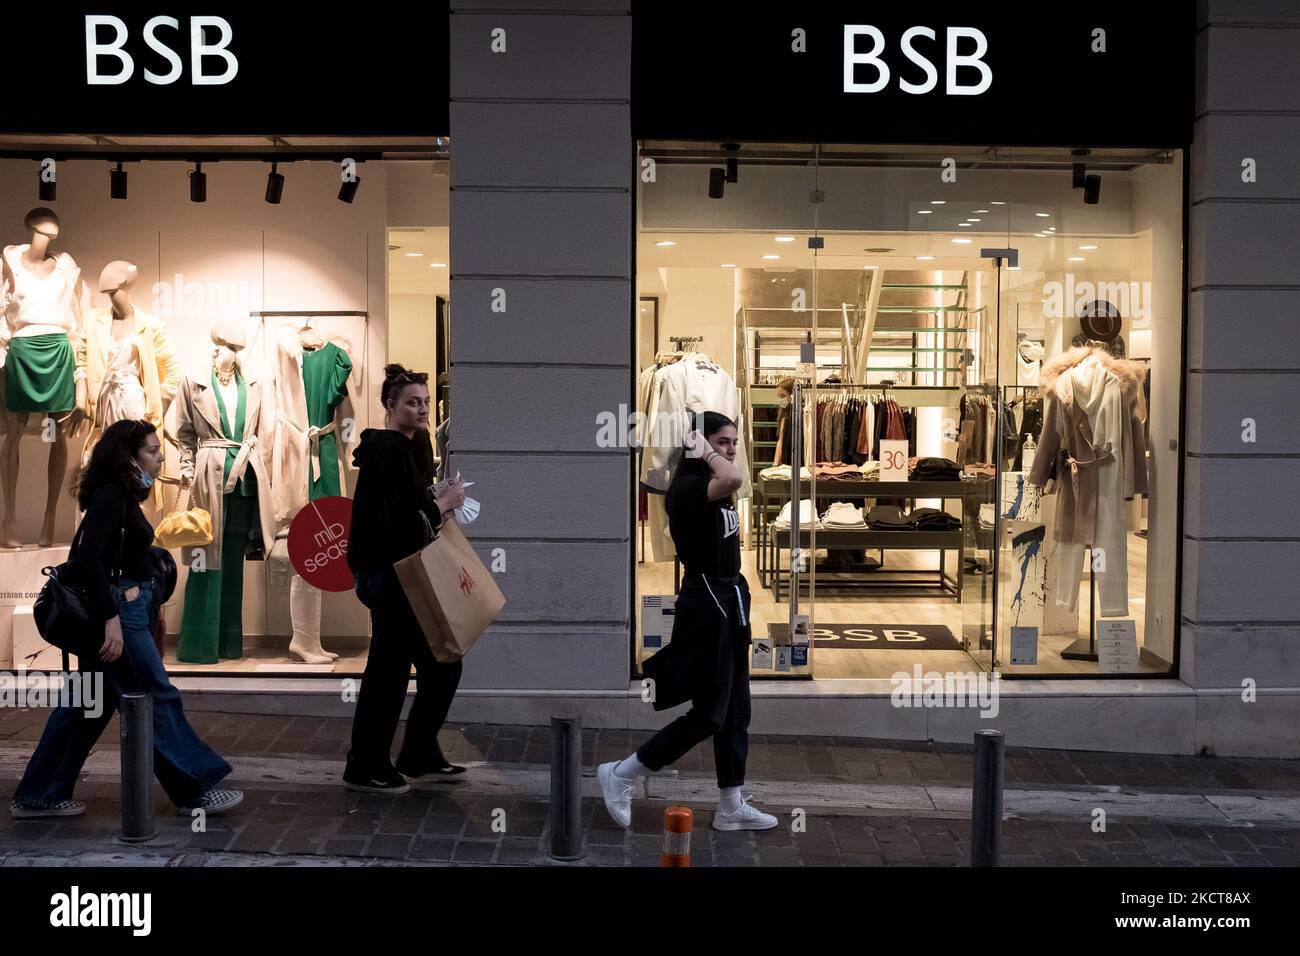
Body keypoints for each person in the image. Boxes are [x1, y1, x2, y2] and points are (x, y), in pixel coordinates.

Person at [9, 420, 242, 818]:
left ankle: (39, 795)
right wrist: (111, 618)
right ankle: (194, 788)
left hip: (125, 609)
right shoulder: (110, 497)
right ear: (128, 457)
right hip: (118, 614)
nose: (160, 456)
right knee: (153, 694)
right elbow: (88, 560)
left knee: (89, 704)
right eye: (152, 451)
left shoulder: (121, 497)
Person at [599, 411, 778, 831]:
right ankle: (623, 773)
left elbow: (730, 483)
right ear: (698, 444)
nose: (730, 450)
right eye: (722, 442)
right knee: (709, 714)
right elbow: (732, 478)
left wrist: (714, 453)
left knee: (736, 710)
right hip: (705, 606)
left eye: (734, 442)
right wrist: (704, 451)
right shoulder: (687, 489)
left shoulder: (715, 487)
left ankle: (731, 803)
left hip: (730, 600)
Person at [344, 364, 467, 794]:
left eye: (425, 402)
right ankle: (365, 765)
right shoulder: (388, 451)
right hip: (389, 575)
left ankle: (417, 753)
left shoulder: (410, 447)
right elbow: (393, 526)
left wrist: (434, 500)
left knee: (442, 663)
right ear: (390, 406)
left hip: (403, 573)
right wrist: (440, 505)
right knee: (391, 671)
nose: (421, 409)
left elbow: (404, 512)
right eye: (411, 402)